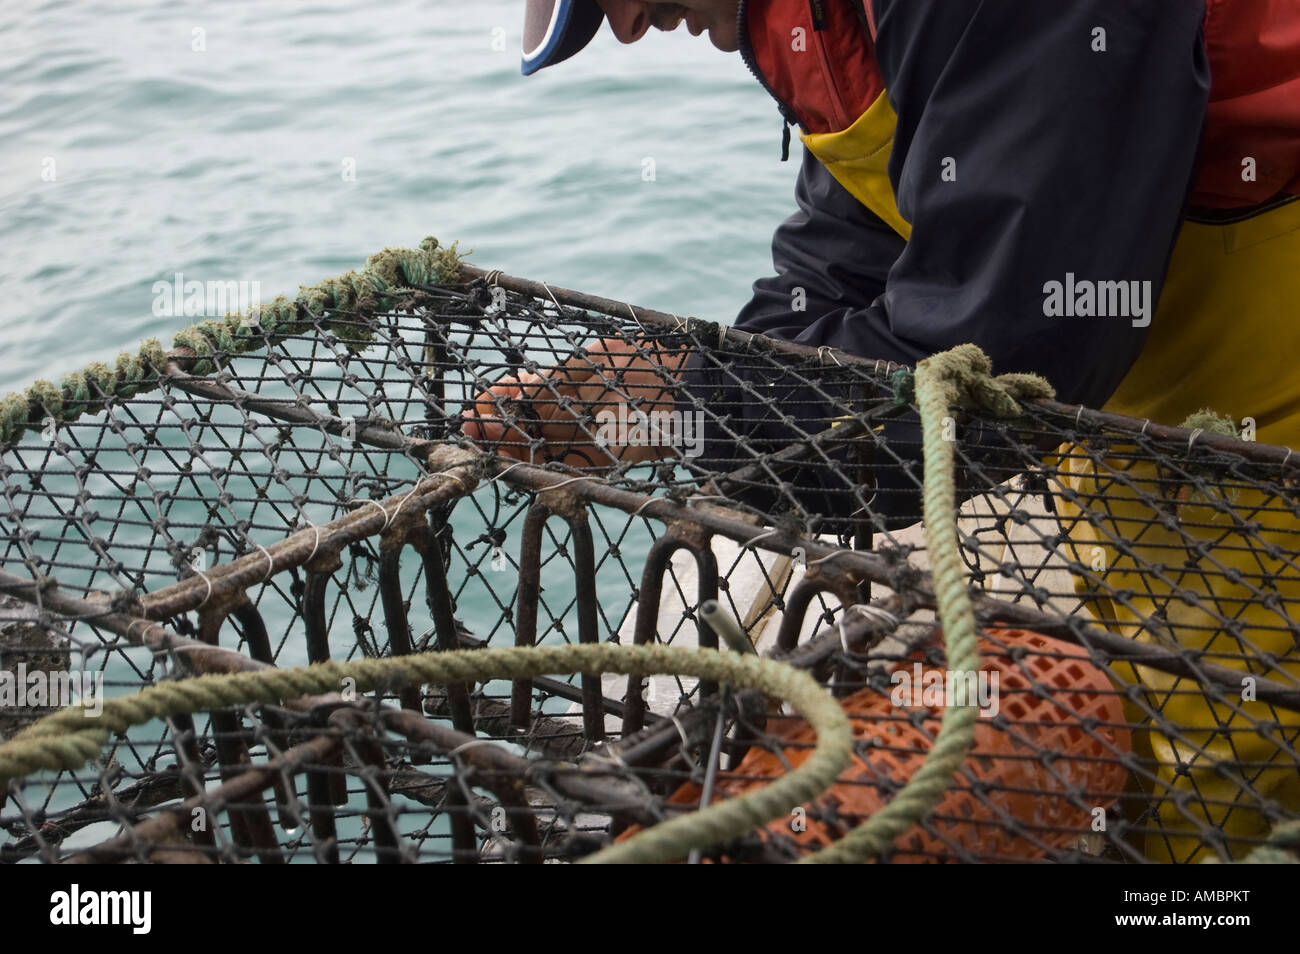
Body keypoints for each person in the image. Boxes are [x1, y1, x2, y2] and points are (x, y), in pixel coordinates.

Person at [464, 0, 1300, 861]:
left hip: (1262, 371)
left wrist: (689, 404)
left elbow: (995, 367)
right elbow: (844, 255)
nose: (629, 26)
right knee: (1134, 664)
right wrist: (710, 382)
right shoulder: (806, 22)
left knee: (1219, 770)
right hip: (1130, 385)